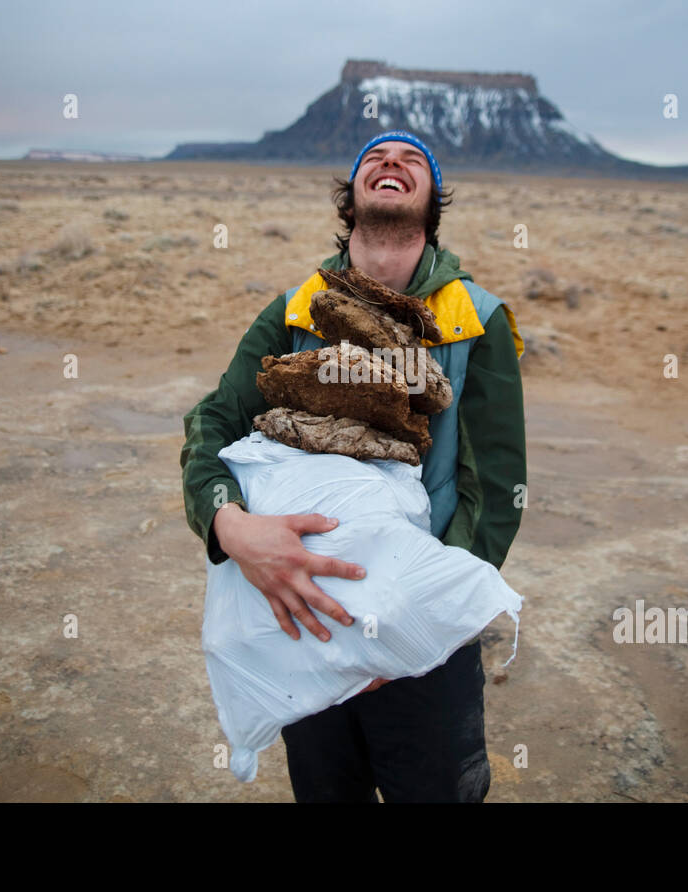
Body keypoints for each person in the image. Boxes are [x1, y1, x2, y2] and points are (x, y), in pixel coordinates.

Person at [180, 130, 526, 802]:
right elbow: (212, 423)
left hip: (424, 642)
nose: (390, 162)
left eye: (410, 160)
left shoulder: (476, 321)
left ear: (430, 203)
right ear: (351, 195)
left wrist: (406, 623)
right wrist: (229, 527)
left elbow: (495, 496)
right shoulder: (295, 310)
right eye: (373, 156)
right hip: (306, 618)